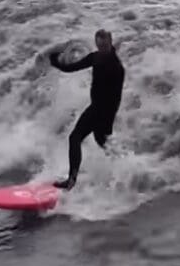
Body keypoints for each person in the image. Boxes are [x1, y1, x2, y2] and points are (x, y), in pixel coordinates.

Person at [46, 29, 124, 190]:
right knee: (102, 141)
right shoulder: (96, 57)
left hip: (103, 110)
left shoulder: (116, 67)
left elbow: (116, 98)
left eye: (104, 45)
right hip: (97, 108)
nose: (101, 48)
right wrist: (55, 61)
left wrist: (106, 116)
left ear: (110, 42)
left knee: (75, 137)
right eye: (99, 45)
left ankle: (71, 180)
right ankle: (126, 168)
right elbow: (72, 68)